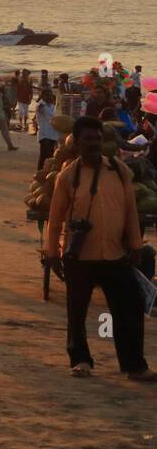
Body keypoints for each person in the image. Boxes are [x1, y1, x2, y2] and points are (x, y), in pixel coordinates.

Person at [45, 116, 156, 381]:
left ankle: (135, 366)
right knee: (77, 311)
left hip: (115, 254)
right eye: (88, 139)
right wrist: (51, 252)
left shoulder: (118, 170)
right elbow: (55, 216)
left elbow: (130, 211)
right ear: (77, 142)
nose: (93, 143)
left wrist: (135, 245)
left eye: (97, 138)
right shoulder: (68, 175)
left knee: (129, 309)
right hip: (80, 256)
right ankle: (80, 360)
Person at [35, 88, 59, 169]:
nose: (50, 96)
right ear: (43, 96)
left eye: (51, 95)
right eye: (48, 95)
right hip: (44, 134)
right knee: (44, 156)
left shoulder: (52, 105)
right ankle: (40, 172)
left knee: (50, 155)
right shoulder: (41, 105)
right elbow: (39, 109)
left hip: (52, 134)